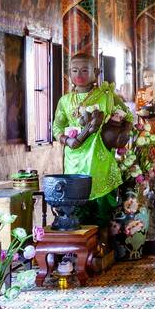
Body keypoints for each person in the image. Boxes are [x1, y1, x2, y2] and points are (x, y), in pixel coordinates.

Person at [51, 53, 126, 226]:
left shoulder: (107, 96)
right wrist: (66, 140)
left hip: (99, 156)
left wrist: (121, 133)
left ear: (97, 72)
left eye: (85, 70)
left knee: (102, 208)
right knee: (77, 206)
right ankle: (83, 243)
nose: (79, 75)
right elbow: (57, 127)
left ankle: (103, 241)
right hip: (74, 157)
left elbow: (127, 115)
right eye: (75, 70)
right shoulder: (65, 101)